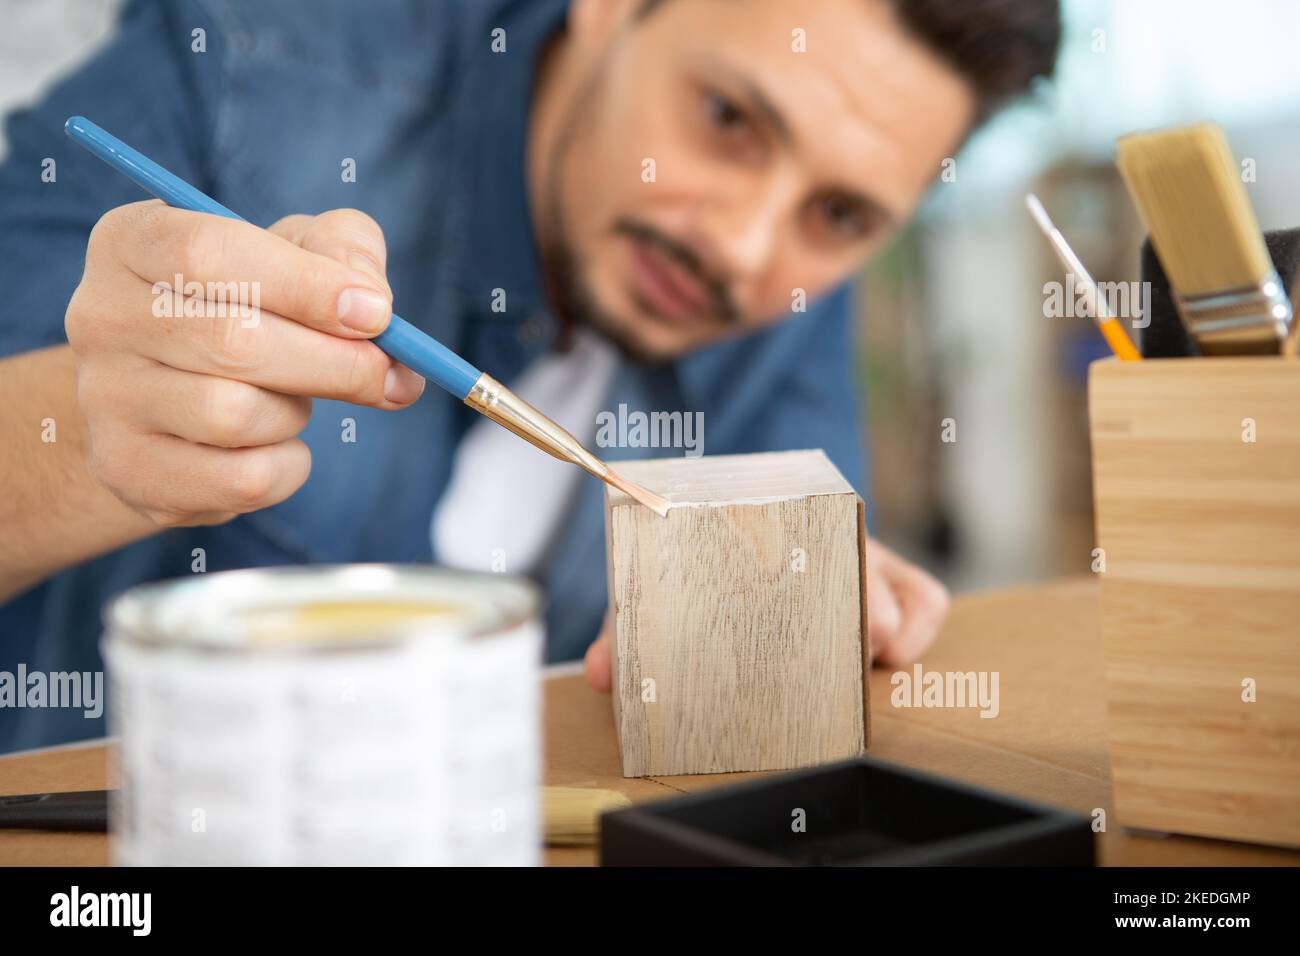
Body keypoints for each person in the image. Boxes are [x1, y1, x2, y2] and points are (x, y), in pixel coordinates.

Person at [0, 0, 1060, 749]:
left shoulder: (785, 284)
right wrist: (91, 438)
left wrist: (821, 607)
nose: (743, 246)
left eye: (840, 216)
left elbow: (797, 581)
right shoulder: (241, 63)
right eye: (729, 120)